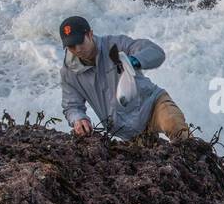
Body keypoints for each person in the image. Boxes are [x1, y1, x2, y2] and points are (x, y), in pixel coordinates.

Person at [58, 15, 190, 141]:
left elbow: (156, 52)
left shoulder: (115, 45)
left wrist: (135, 60)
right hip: (127, 132)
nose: (77, 49)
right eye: (71, 46)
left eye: (79, 42)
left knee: (177, 130)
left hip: (153, 105)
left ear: (90, 34)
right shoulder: (68, 73)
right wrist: (79, 118)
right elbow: (72, 106)